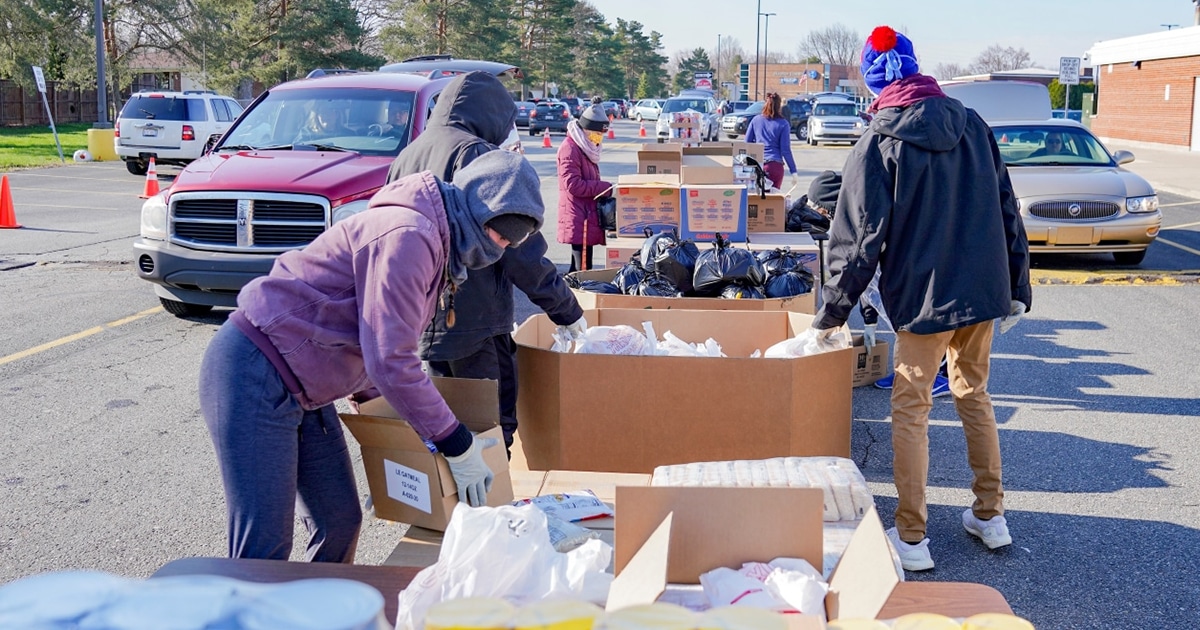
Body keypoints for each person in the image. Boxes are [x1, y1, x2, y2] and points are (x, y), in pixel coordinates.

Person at [199, 149, 545, 563]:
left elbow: (370, 336)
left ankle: (323, 608)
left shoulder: (440, 238)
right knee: (264, 547)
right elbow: (390, 358)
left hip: (308, 386)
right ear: (477, 206)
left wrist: (393, 427)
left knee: (339, 522)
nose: (500, 248)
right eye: (499, 235)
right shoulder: (409, 236)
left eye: (510, 243)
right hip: (256, 369)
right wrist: (455, 442)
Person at [808, 26, 1031, 572]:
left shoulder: (881, 138)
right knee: (973, 395)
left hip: (925, 299)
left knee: (911, 408)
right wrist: (1018, 287)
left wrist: (831, 313)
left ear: (874, 80)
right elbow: (1008, 208)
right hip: (983, 291)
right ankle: (990, 515)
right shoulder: (973, 124)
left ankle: (912, 537)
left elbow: (858, 237)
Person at [387, 71, 585, 456]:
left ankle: (452, 510)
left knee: (443, 426)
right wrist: (566, 309)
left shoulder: (408, 153)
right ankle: (489, 510)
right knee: (491, 429)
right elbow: (519, 247)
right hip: (475, 317)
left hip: (425, 316)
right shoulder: (474, 154)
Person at [557, 104, 613, 273]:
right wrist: (604, 188)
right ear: (586, 129)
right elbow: (573, 185)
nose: (599, 138)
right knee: (580, 269)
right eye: (597, 134)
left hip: (586, 214)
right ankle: (572, 298)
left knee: (584, 266)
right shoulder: (570, 149)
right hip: (578, 214)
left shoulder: (586, 148)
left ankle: (574, 296)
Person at [745, 92, 798, 192]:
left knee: (755, 199)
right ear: (779, 107)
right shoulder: (783, 124)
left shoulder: (755, 120)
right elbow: (785, 150)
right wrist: (793, 171)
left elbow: (747, 143)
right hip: (775, 166)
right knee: (773, 202)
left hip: (757, 164)